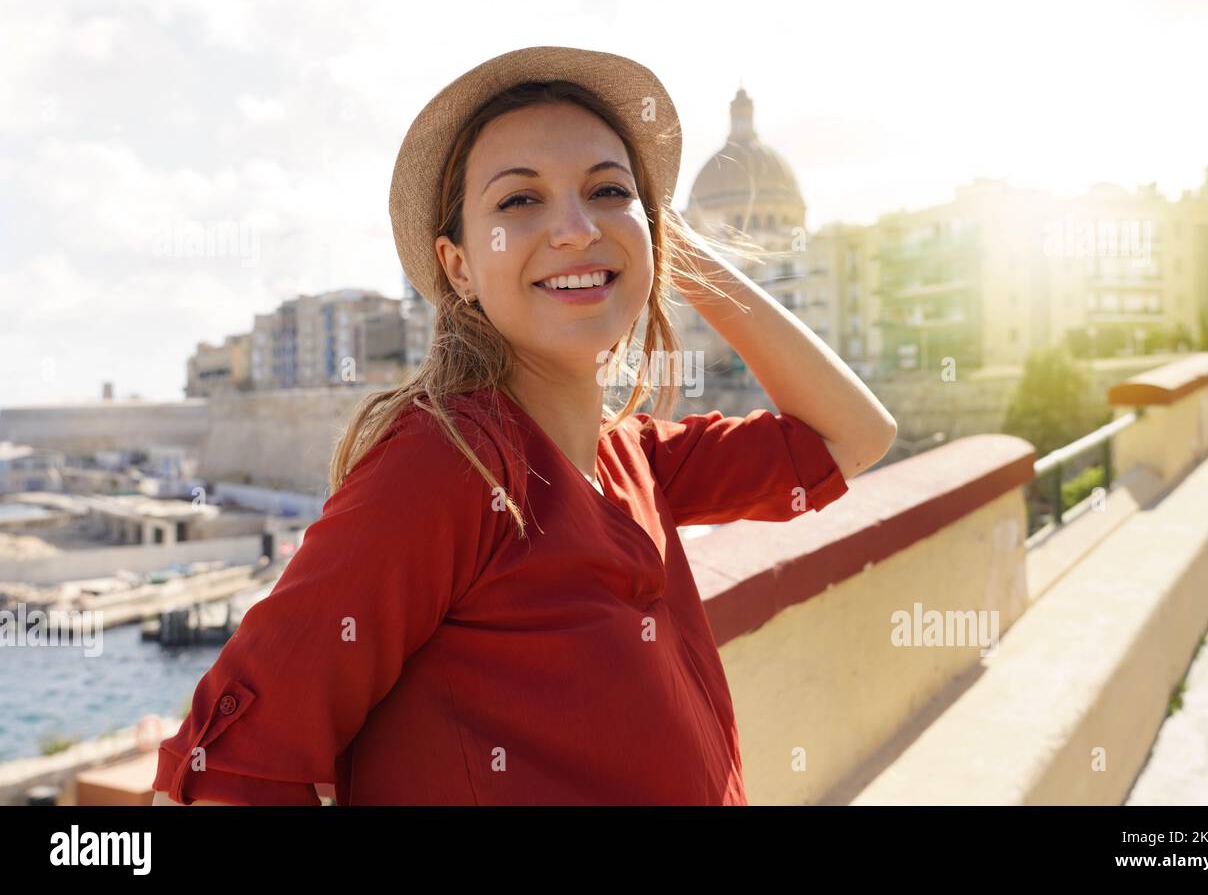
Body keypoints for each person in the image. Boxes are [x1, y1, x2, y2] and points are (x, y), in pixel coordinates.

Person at [152, 46, 897, 806]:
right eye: (518, 202)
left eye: (608, 190)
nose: (574, 229)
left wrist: (667, 244)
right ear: (459, 267)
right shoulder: (448, 467)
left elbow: (852, 438)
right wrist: (620, 228)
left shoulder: (634, 458)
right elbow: (226, 769)